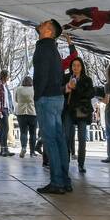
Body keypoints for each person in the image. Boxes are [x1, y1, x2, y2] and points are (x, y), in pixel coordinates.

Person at [32, 19, 72, 194]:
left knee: (51, 141)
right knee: (60, 140)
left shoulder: (42, 48)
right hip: (57, 97)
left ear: (49, 31)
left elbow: (41, 75)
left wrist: (37, 96)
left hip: (47, 98)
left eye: (44, 23)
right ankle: (65, 180)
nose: (40, 24)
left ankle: (57, 182)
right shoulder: (54, 50)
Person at [63, 57, 100, 172]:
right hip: (69, 109)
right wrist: (67, 88)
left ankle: (81, 163)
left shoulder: (87, 79)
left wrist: (76, 87)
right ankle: (65, 162)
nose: (76, 67)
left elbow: (90, 93)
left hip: (82, 110)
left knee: (82, 138)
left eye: (78, 65)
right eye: (74, 65)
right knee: (67, 137)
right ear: (71, 66)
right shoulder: (66, 77)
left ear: (82, 67)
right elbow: (62, 92)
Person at [14, 75, 36, 157]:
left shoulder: (19, 89)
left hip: (21, 113)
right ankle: (32, 152)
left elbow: (16, 100)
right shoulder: (34, 89)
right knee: (33, 133)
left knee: (23, 132)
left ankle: (23, 147)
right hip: (32, 113)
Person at [0, 69, 12, 157]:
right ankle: (3, 149)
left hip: (6, 109)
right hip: (2, 109)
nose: (9, 77)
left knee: (5, 129)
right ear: (4, 75)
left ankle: (5, 149)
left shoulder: (5, 85)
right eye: (8, 75)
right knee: (4, 129)